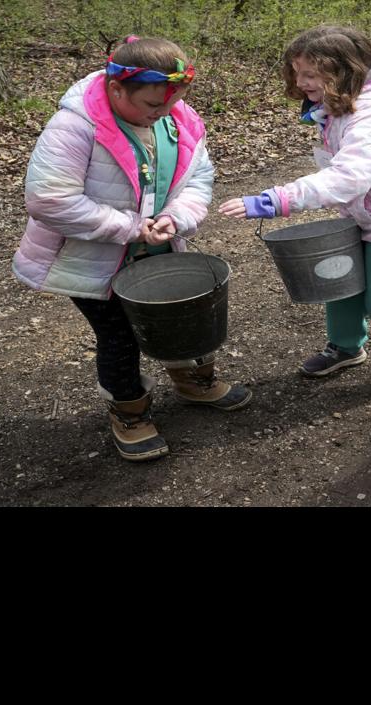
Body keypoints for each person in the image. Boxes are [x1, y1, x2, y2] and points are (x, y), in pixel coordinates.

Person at [13, 35, 242, 462]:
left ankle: (193, 381)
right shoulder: (76, 126)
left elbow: (198, 177)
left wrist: (177, 217)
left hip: (156, 248)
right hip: (89, 260)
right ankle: (130, 411)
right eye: (153, 106)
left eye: (171, 104)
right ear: (116, 89)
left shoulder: (179, 119)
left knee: (180, 314)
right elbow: (50, 200)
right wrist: (132, 227)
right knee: (119, 336)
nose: (163, 114)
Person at [220, 26, 371, 392]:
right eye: (296, 72)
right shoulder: (341, 105)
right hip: (365, 214)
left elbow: (348, 177)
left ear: (342, 70)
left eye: (310, 74)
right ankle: (345, 346)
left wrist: (276, 199)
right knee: (342, 282)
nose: (300, 81)